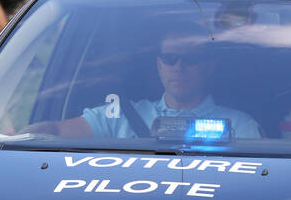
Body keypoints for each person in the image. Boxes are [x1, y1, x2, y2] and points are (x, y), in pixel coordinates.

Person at [28, 23, 262, 139]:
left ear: (209, 66)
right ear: (158, 65)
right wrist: (13, 137)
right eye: (170, 58)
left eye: (190, 59)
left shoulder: (239, 126)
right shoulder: (117, 116)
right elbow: (54, 130)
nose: (179, 67)